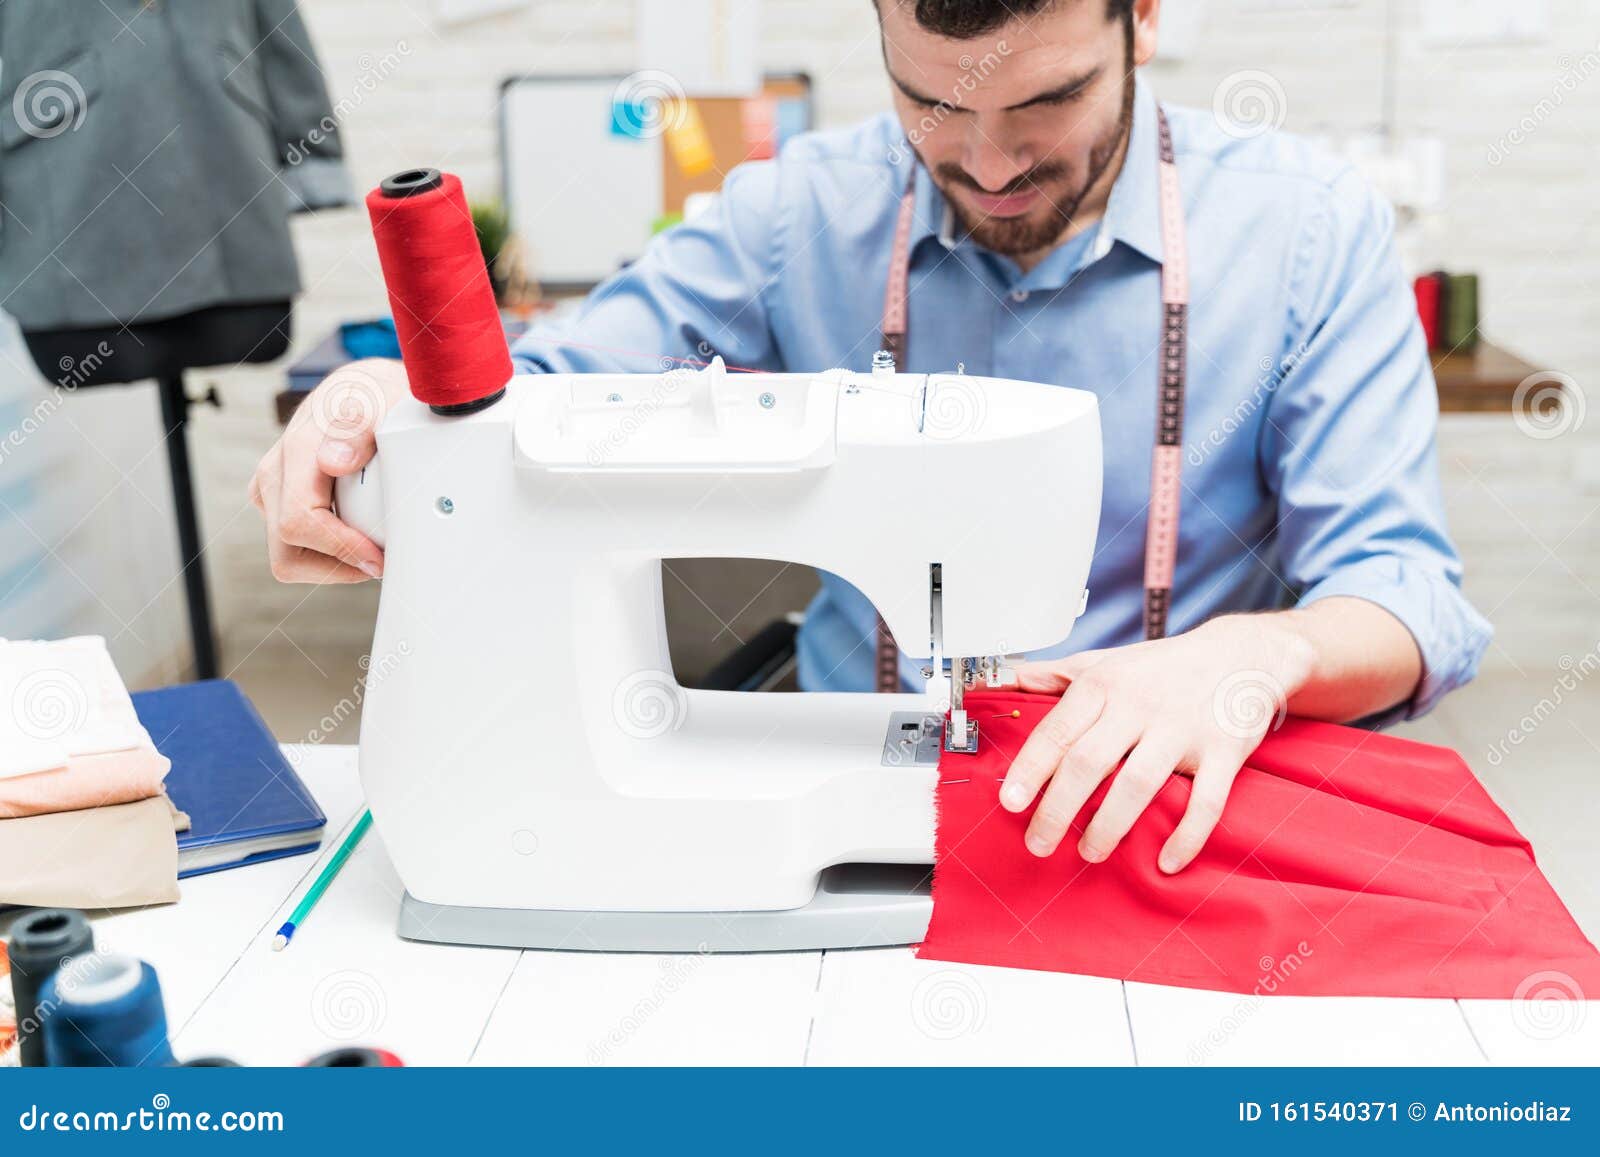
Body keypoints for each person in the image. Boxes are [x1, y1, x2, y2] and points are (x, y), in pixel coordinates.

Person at [249, 0, 1490, 876]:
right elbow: (531, 398)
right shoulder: (800, 213)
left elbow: (1404, 598)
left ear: (1143, 19)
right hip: (869, 798)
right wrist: (366, 413)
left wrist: (1242, 656)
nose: (991, 163)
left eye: (1049, 100)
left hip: (1171, 809)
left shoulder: (1309, 231)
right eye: (932, 104)